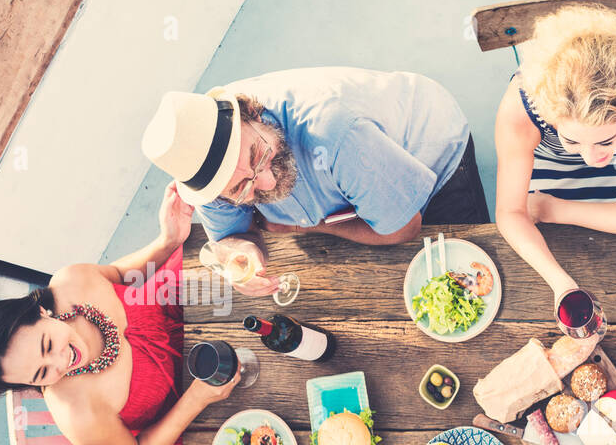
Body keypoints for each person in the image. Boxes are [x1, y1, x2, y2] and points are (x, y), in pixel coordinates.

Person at [142, 66, 486, 296]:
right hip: (359, 189)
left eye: (258, 156)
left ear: (252, 113)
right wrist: (241, 254)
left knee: (474, 271)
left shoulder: (334, 133)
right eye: (240, 189)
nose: (263, 182)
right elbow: (229, 239)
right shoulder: (210, 177)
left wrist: (304, 228)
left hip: (432, 151)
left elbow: (404, 228)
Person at [0, 183, 236, 445]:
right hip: (199, 398)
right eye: (41, 374)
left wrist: (166, 241)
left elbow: (122, 275)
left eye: (47, 345)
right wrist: (197, 398)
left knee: (236, 244)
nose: (61, 362)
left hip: (187, 299)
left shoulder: (69, 281)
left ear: (40, 311)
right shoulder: (77, 416)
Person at [494, 4, 616, 299]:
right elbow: (510, 212)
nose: (591, 159)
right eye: (572, 141)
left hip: (613, 174)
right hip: (550, 175)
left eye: (606, 140)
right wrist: (563, 286)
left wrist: (550, 208)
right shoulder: (519, 110)